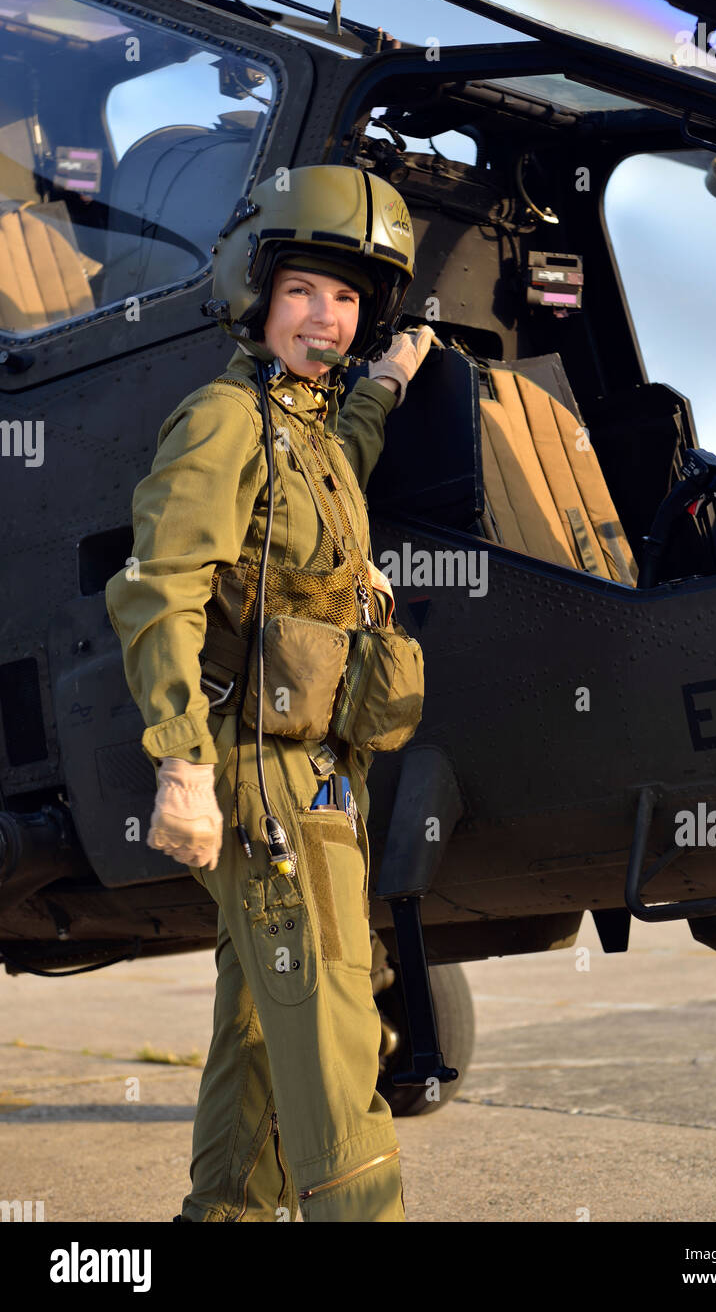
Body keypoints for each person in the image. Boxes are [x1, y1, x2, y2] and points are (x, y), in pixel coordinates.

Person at [105, 165, 434, 1222]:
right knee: (334, 1031)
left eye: (345, 299)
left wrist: (388, 381)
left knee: (259, 1020)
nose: (324, 318)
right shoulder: (225, 419)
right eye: (303, 292)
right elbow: (160, 587)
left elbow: (346, 457)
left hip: (323, 770)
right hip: (258, 775)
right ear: (257, 294)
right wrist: (181, 761)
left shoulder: (313, 434)